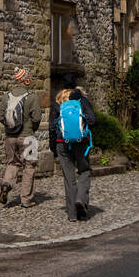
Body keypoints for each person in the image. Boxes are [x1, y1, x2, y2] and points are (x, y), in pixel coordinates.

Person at [50, 73, 96, 222]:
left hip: (61, 142)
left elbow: (52, 127)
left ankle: (72, 214)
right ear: (75, 85)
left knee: (69, 178)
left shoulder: (58, 101)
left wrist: (53, 146)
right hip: (81, 142)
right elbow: (93, 120)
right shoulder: (81, 99)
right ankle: (81, 201)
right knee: (84, 172)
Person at [0, 67, 41, 208]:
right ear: (26, 80)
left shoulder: (7, 96)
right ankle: (26, 200)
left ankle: (6, 184)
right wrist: (31, 129)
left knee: (12, 163)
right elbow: (37, 118)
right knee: (29, 166)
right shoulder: (31, 96)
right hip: (28, 137)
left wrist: (10, 127)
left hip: (10, 137)